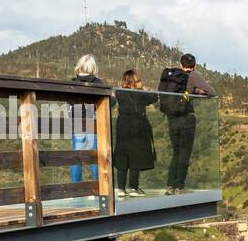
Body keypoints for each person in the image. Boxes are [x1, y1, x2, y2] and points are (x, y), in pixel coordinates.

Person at [157, 52, 214, 194]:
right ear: (194, 66)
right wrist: (198, 92)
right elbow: (212, 92)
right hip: (186, 118)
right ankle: (179, 186)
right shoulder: (193, 76)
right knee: (184, 153)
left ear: (181, 64)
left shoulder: (171, 77)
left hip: (172, 118)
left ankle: (170, 186)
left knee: (176, 153)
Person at [113, 69, 157, 197]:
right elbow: (153, 97)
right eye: (138, 80)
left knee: (122, 156)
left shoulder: (119, 92)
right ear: (134, 81)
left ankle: (121, 189)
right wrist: (142, 88)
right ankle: (133, 187)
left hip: (122, 126)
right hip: (138, 127)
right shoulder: (139, 94)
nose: (140, 82)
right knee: (135, 157)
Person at [69, 55, 104, 184]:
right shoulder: (98, 83)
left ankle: (75, 187)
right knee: (95, 156)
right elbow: (110, 102)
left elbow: (70, 102)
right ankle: (99, 187)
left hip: (76, 122)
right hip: (93, 121)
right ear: (93, 67)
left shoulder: (72, 82)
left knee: (76, 156)